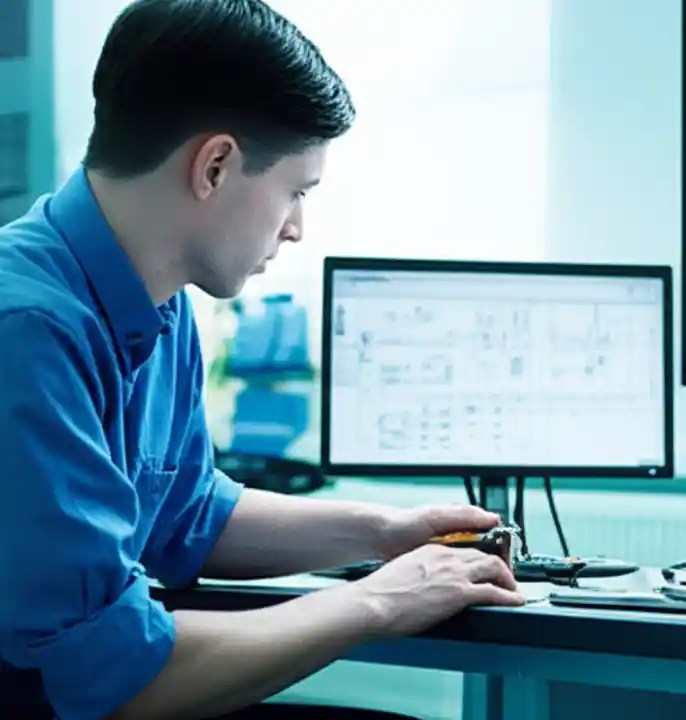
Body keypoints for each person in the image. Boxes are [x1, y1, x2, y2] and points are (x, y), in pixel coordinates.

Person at [0, 1, 525, 718]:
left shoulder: (156, 303)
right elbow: (109, 676)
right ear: (214, 165)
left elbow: (187, 514)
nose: (297, 227)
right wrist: (380, 601)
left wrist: (381, 532)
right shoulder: (26, 331)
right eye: (296, 191)